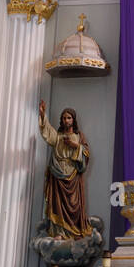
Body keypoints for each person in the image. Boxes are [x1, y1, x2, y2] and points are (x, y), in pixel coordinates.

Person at [38, 100, 92, 238]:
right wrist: (43, 115)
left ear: (73, 120)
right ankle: (59, 232)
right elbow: (47, 132)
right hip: (57, 173)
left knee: (73, 204)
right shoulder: (58, 136)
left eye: (69, 117)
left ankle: (72, 231)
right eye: (64, 118)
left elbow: (86, 153)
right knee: (57, 204)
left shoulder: (79, 137)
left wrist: (75, 145)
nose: (66, 120)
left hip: (72, 176)